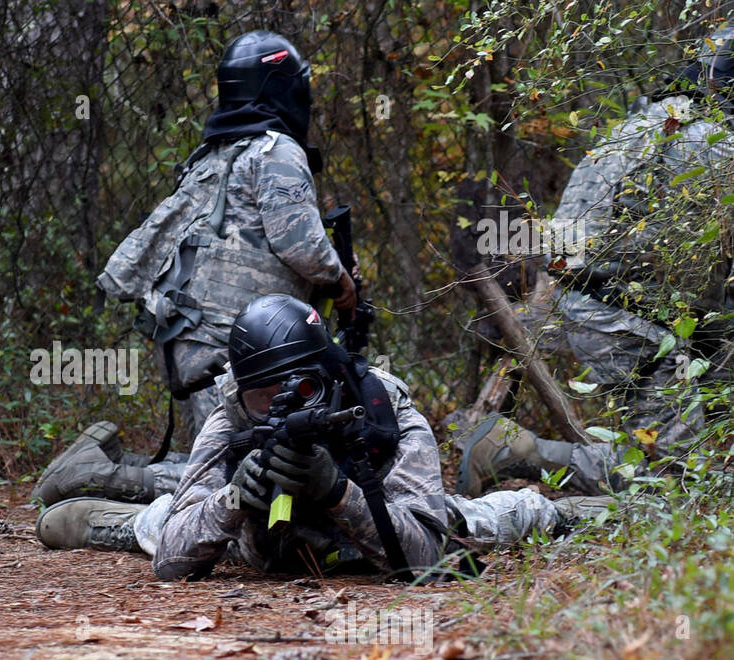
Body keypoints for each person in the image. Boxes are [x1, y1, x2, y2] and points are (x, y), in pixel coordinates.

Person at [37, 295, 608, 580]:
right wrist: (238, 497)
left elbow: (424, 555)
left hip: (377, 524)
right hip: (261, 542)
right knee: (166, 523)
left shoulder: (383, 403)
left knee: (481, 522)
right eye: (265, 394)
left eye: (301, 386)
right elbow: (173, 563)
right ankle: (104, 518)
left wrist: (337, 490)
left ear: (328, 369)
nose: (281, 404)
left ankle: (566, 510)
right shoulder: (232, 413)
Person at [33, 30, 355, 507]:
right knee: (245, 475)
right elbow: (300, 244)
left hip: (196, 340)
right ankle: (99, 475)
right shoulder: (277, 151)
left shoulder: (214, 155)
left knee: (231, 455)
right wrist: (343, 283)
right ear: (281, 86)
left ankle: (110, 469)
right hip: (237, 346)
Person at [459, 30, 734, 497]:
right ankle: (511, 452)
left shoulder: (647, 123)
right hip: (627, 320)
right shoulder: (716, 146)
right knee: (685, 484)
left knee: (687, 458)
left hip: (593, 302)